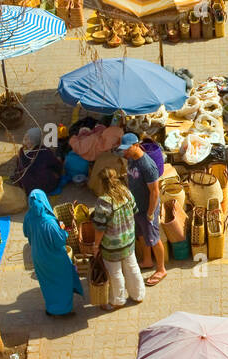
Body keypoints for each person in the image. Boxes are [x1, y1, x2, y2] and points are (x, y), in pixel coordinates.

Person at [115, 133, 166, 286]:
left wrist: (151, 213)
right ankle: (147, 260)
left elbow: (155, 192)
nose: (125, 152)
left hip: (147, 207)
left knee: (153, 238)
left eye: (127, 148)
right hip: (136, 206)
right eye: (123, 149)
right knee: (141, 235)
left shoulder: (147, 166)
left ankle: (161, 269)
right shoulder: (130, 158)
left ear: (136, 145)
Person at [23, 189, 84, 316]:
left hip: (38, 258)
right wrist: (62, 230)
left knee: (47, 284)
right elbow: (60, 241)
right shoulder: (49, 222)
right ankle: (63, 310)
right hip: (55, 259)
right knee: (63, 282)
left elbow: (26, 233)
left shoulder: (28, 217)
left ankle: (51, 308)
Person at [91, 167, 145, 309]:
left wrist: (96, 246)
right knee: (132, 267)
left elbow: (100, 228)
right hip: (128, 241)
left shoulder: (103, 202)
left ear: (102, 183)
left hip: (112, 246)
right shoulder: (126, 193)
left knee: (115, 273)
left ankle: (118, 300)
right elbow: (134, 211)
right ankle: (138, 295)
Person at [12, 127, 64, 199]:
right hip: (46, 187)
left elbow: (19, 168)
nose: (24, 139)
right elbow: (56, 166)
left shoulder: (21, 152)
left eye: (27, 138)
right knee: (58, 159)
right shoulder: (45, 151)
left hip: (28, 188)